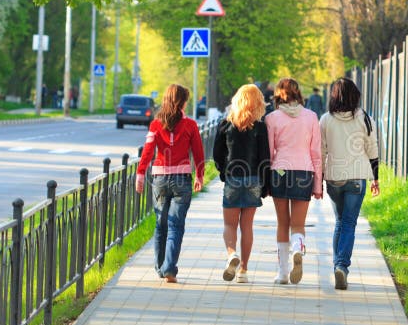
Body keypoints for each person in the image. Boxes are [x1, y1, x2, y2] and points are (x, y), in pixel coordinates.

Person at [135, 84, 205, 283]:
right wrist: (200, 175)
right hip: (182, 180)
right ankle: (169, 269)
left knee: (160, 225)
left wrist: (140, 175)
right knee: (176, 226)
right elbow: (198, 153)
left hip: (159, 179)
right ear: (182, 101)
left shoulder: (156, 124)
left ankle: (161, 268)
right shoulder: (190, 125)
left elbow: (148, 151)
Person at [320, 78, 380, 290]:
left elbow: (321, 151)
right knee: (348, 223)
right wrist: (376, 177)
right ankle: (341, 266)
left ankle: (339, 265)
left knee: (339, 222)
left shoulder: (325, 120)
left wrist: (318, 178)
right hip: (356, 177)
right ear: (355, 95)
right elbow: (372, 149)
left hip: (334, 177)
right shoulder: (364, 118)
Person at [265, 77, 322, 285]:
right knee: (298, 224)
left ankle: (282, 273)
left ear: (278, 94)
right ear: (298, 93)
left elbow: (270, 153)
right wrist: (317, 185)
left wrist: (269, 182)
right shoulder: (312, 117)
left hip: (280, 171)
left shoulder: (271, 118)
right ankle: (298, 247)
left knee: (283, 223)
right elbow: (316, 153)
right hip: (304, 172)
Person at [212, 84, 271, 284]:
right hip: (254, 178)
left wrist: (223, 172)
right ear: (258, 103)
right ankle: (244, 270)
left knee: (229, 224)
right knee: (247, 226)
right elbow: (265, 158)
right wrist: (265, 184)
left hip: (233, 178)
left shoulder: (225, 124)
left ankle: (231, 255)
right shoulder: (261, 127)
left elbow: (217, 154)